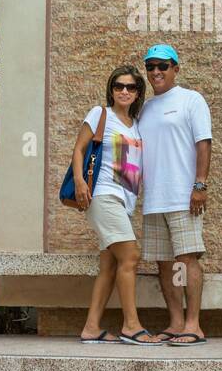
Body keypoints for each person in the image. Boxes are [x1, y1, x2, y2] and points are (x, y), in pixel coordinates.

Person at [72, 65, 162, 345]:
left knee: (110, 266)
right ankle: (131, 326)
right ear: (111, 90)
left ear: (137, 93)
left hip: (124, 202)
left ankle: (91, 327)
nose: (124, 91)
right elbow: (79, 149)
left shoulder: (135, 125)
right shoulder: (101, 115)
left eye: (131, 87)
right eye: (118, 86)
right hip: (103, 194)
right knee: (131, 256)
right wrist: (79, 182)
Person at [138, 44, 212, 345]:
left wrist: (200, 185)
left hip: (184, 196)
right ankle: (176, 322)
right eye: (151, 66)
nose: (156, 71)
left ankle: (194, 324)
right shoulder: (145, 108)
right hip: (154, 199)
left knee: (186, 260)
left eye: (163, 66)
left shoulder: (191, 100)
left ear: (175, 69)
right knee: (164, 264)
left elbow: (203, 143)